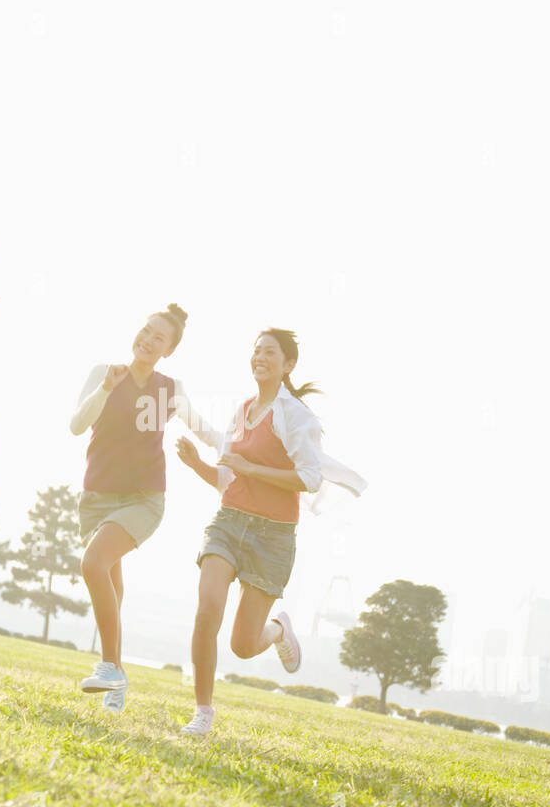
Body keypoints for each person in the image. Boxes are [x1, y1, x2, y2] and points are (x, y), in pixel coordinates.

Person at [176, 327, 366, 735]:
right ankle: (203, 713)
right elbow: (229, 481)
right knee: (208, 607)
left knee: (243, 646)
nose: (260, 357)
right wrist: (197, 465)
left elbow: (310, 479)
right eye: (256, 351)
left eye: (270, 352)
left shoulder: (296, 416)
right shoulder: (242, 409)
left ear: (288, 364)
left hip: (274, 536)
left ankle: (278, 630)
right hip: (229, 522)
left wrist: (252, 469)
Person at [70, 304, 220, 710]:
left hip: (143, 499)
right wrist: (105, 387)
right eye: (146, 330)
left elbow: (203, 428)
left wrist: (232, 451)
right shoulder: (104, 372)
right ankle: (116, 677)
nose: (148, 340)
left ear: (168, 350)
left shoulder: (170, 389)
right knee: (111, 584)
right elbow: (77, 425)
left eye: (159, 338)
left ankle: (108, 666)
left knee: (93, 564)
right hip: (97, 496)